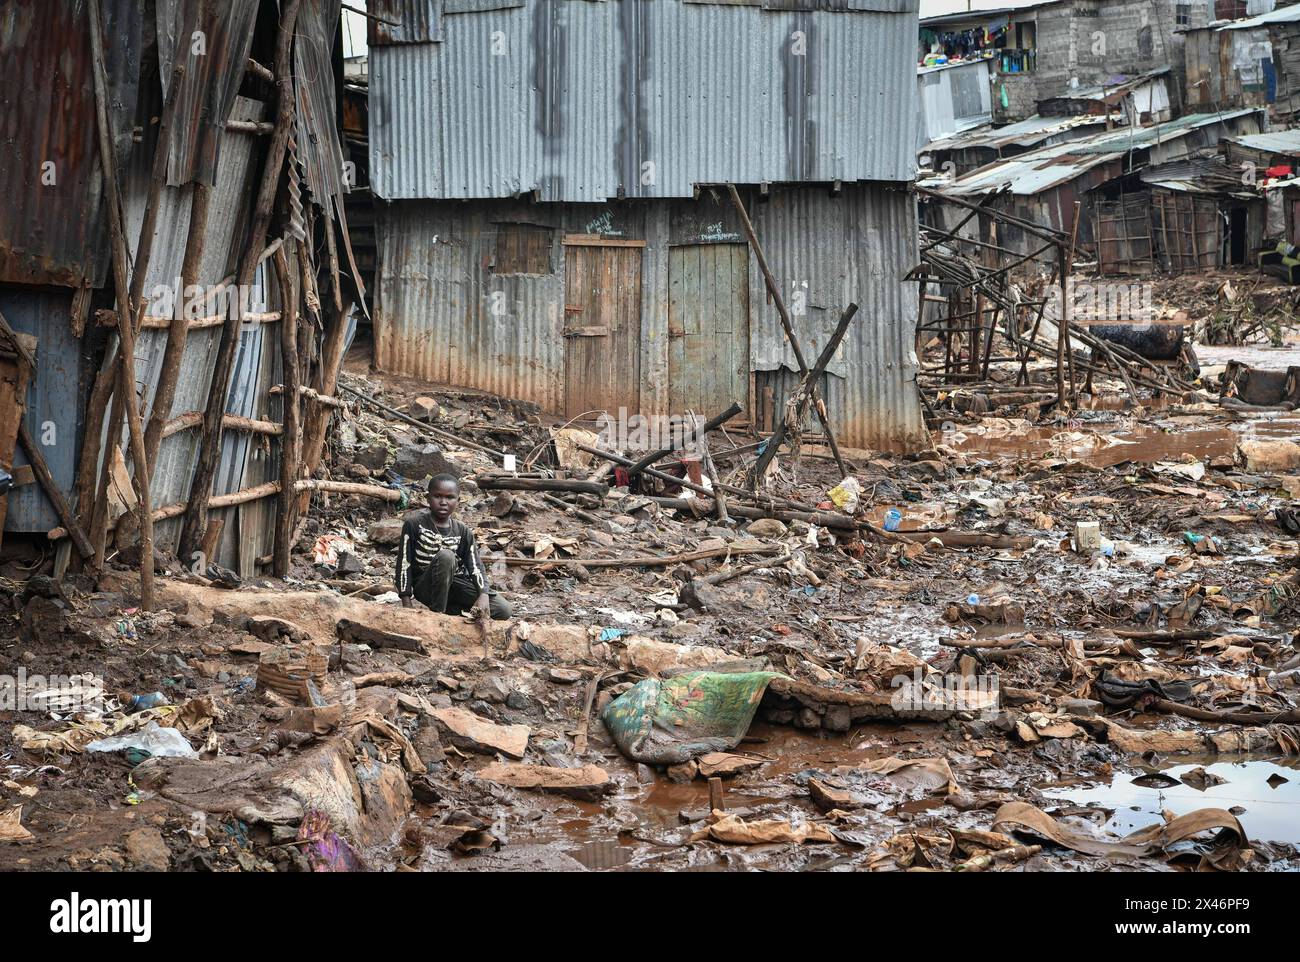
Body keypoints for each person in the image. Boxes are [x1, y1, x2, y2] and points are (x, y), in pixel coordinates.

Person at [395, 474, 511, 620]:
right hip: (426, 587)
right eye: (437, 496)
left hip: (455, 585)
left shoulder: (462, 530)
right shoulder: (414, 525)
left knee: (503, 609)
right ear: (428, 498)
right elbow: (404, 563)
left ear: (458, 501)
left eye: (450, 497)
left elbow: (475, 564)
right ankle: (438, 616)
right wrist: (406, 602)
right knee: (446, 556)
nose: (443, 502)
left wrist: (483, 593)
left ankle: (453, 614)